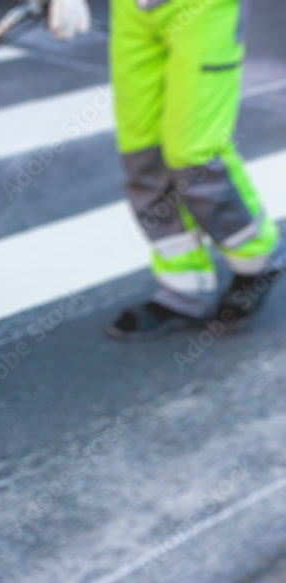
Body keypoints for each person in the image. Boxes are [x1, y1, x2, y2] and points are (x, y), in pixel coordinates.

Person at [47, 0, 282, 340]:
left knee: (194, 153)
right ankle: (184, 288)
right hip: (132, 11)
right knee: (142, 153)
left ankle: (257, 257)